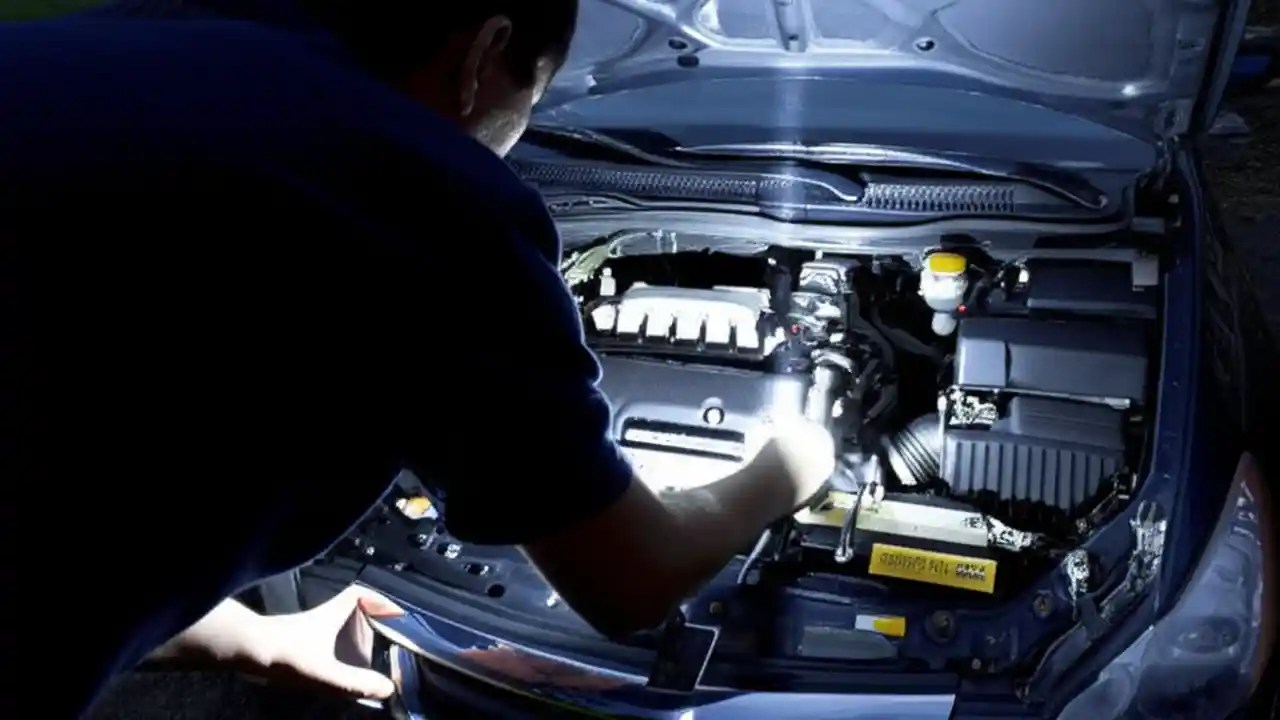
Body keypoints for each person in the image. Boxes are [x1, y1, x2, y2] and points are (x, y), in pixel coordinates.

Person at [0, 1, 834, 716]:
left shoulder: (59, 58)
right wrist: (791, 468)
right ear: (482, 50)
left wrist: (248, 637)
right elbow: (631, 582)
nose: (508, 144)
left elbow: (74, 507)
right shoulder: (413, 177)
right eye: (531, 104)